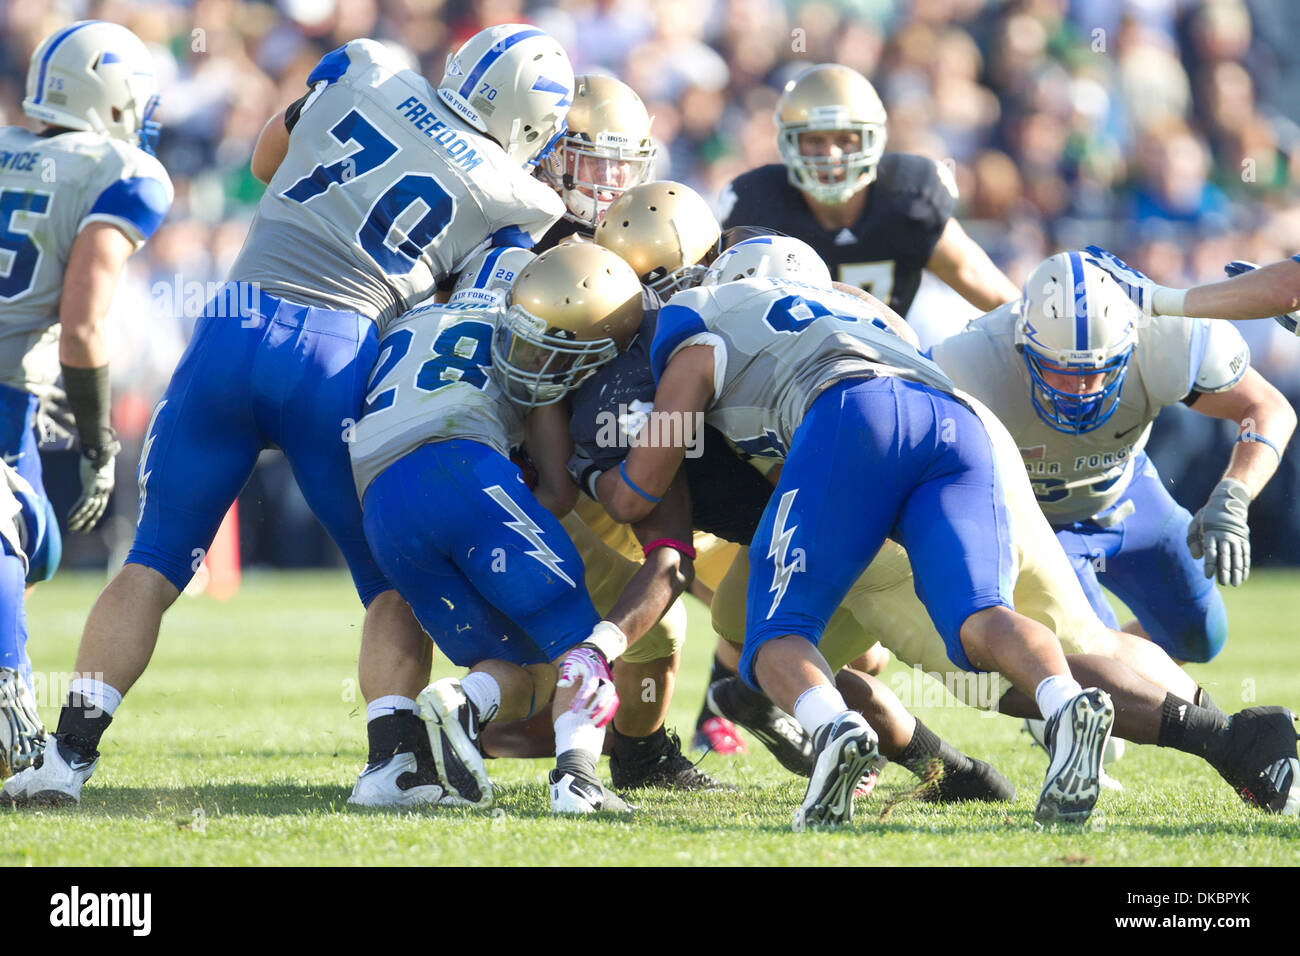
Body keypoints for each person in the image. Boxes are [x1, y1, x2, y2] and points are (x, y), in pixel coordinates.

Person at [2, 24, 573, 807]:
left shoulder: (370, 65)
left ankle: (64, 759)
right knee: (384, 580)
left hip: (230, 329)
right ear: (534, 122)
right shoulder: (522, 195)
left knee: (156, 557)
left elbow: (269, 161)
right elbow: (475, 293)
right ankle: (390, 765)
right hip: (336, 357)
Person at [595, 235, 1118, 828]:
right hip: (956, 422)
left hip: (851, 415)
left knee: (772, 636)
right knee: (980, 612)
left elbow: (642, 484)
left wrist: (595, 475)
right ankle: (1064, 701)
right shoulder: (860, 305)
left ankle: (834, 727)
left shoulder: (703, 319)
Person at [931, 252, 1296, 660]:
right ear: (1023, 347)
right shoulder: (969, 363)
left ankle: (1094, 682)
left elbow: (1268, 407)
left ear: (1129, 344)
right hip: (1034, 526)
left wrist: (1234, 493)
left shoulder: (1164, 337)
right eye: (1060, 369)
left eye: (1098, 368)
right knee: (1098, 660)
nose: (1081, 388)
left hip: (1126, 493)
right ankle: (1069, 688)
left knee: (1200, 636)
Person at [0, 21, 174, 760]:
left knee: (35, 544)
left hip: (18, 399)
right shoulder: (120, 170)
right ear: (112, 102)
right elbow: (82, 327)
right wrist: (101, 438)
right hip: (11, 391)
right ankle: (9, 694)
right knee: (12, 533)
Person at [719, 63, 1018, 320]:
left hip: (884, 364)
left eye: (846, 139)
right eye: (814, 140)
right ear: (789, 142)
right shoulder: (758, 205)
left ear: (873, 138)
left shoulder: (909, 198)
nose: (832, 155)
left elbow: (999, 299)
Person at [535, 73, 656, 250]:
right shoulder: (527, 233)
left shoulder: (648, 241)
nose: (609, 174)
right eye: (592, 160)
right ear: (556, 157)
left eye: (622, 162)